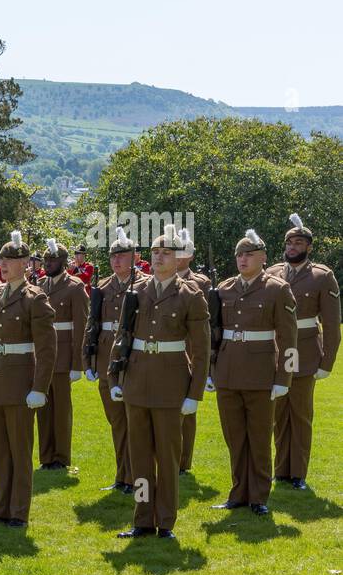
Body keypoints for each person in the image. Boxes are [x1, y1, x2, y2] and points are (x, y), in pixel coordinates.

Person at [109, 225, 210, 539]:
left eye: (166, 253)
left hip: (170, 382)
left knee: (167, 459)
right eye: (154, 252)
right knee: (139, 458)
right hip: (137, 380)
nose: (159, 258)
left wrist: (195, 393)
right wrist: (115, 375)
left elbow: (202, 347)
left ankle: (165, 521)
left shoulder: (191, 294)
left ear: (178, 257)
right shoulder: (137, 291)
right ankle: (142, 519)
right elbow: (122, 335)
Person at [209, 229, 297, 515]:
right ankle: (238, 493)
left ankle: (259, 496)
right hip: (228, 373)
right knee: (235, 437)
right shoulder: (223, 289)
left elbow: (288, 339)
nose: (243, 259)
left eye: (249, 254)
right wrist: (212, 371)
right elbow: (213, 335)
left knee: (259, 438)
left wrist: (284, 378)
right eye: (239, 255)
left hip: (261, 374)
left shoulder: (277, 288)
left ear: (263, 257)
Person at [0, 231, 56, 529]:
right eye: (2, 260)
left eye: (11, 260)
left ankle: (19, 512)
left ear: (25, 265)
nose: (4, 265)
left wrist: (39, 388)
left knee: (20, 451)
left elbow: (47, 349)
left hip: (21, 384)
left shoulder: (36, 298)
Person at [267, 214, 340, 490]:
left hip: (305, 350)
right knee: (278, 414)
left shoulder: (322, 276)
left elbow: (332, 324)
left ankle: (298, 474)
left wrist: (327, 361)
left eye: (299, 243)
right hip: (275, 351)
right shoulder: (272, 274)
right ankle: (281, 471)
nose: (293, 247)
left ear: (309, 247)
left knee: (300, 414)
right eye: (289, 242)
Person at [82, 228, 140, 492]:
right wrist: (88, 361)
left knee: (134, 423)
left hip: (133, 362)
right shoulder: (103, 287)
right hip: (106, 360)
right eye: (113, 255)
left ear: (135, 257)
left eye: (122, 255)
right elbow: (91, 325)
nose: (116, 260)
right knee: (117, 422)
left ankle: (134, 477)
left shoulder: (144, 285)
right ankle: (122, 476)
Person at [37, 240, 89, 470]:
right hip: (41, 357)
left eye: (53, 260)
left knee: (61, 410)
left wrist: (78, 363)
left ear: (64, 263)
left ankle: (61, 457)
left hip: (63, 356)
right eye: (46, 259)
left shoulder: (75, 287)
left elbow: (81, 327)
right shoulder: (39, 285)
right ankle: (46, 456)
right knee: (43, 409)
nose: (48, 263)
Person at [174, 228, 210, 474]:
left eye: (183, 252)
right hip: (169, 348)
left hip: (191, 347)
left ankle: (183, 461)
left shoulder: (201, 283)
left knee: (187, 408)